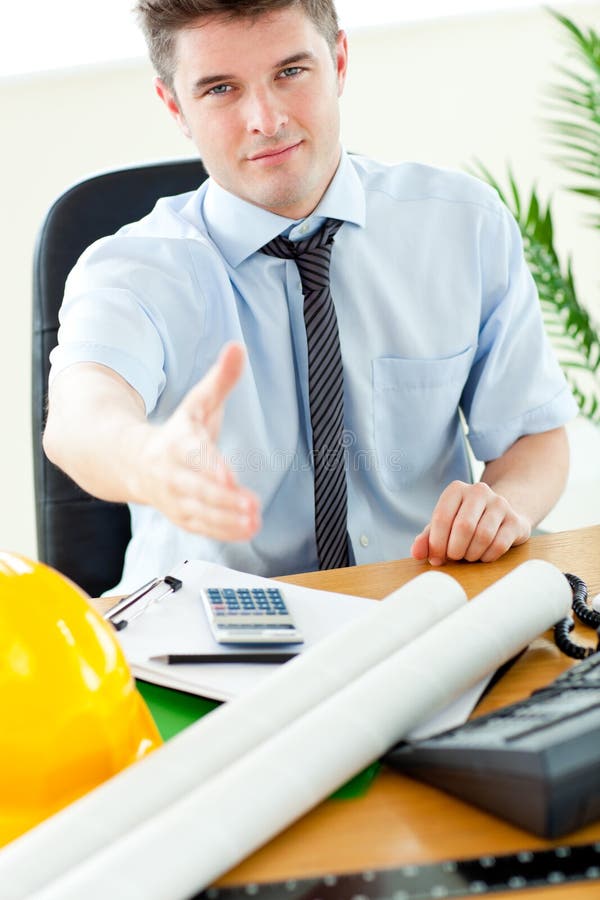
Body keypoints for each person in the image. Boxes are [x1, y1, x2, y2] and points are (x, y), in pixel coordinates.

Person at [43, 0, 577, 594]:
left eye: (290, 72)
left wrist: (507, 505)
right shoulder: (132, 269)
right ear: (175, 106)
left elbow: (533, 435)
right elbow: (79, 419)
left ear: (339, 61)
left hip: (422, 610)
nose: (266, 119)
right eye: (221, 89)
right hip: (210, 638)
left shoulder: (462, 225)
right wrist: (145, 458)